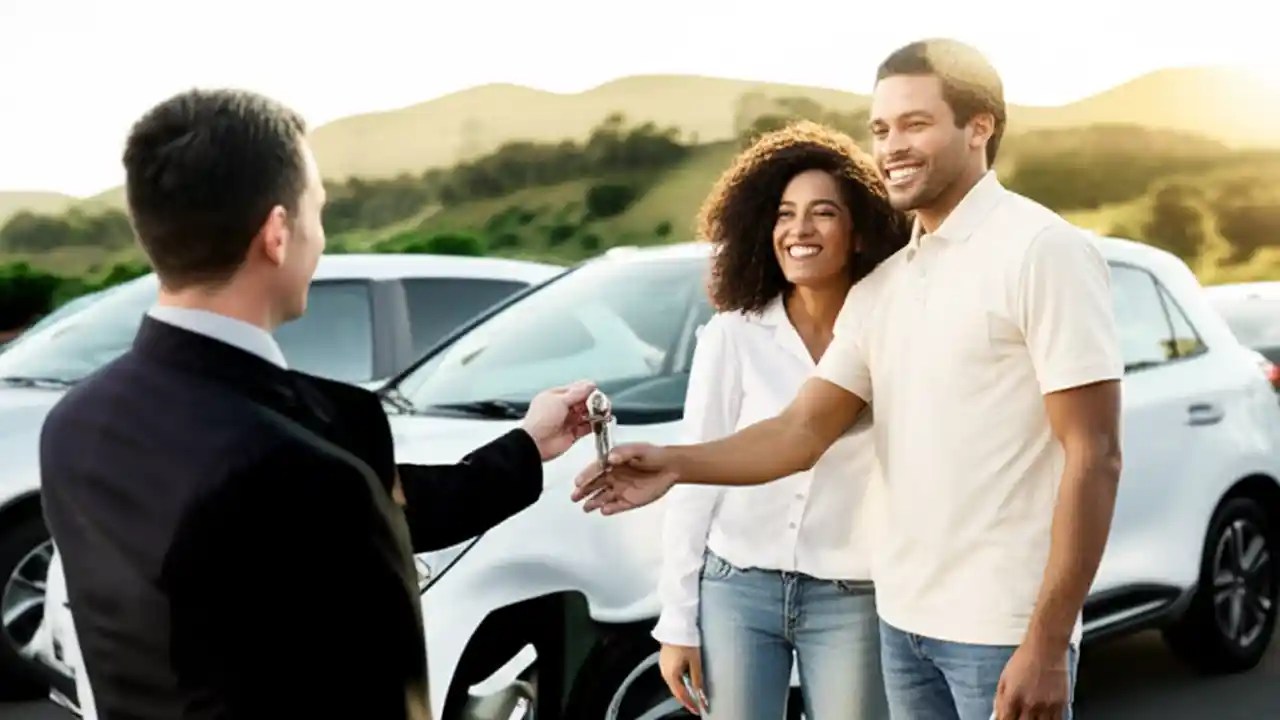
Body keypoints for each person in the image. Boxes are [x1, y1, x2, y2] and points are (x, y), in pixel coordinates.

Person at [573, 38, 1123, 720]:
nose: (892, 146)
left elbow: (1094, 455)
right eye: (882, 129)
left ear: (979, 126)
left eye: (915, 124)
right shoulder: (885, 287)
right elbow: (801, 430)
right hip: (901, 625)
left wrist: (1045, 642)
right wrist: (674, 463)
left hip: (1000, 630)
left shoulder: (1044, 252)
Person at [39, 88, 596, 720]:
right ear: (278, 233)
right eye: (317, 211)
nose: (319, 237)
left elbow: (387, 511)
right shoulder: (305, 462)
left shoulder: (74, 426)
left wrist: (527, 444)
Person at [653, 121, 908, 719]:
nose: (799, 230)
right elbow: (696, 478)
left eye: (822, 213)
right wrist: (676, 622)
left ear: (860, 231)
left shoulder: (891, 332)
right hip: (737, 588)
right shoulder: (734, 336)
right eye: (784, 214)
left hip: (853, 594)